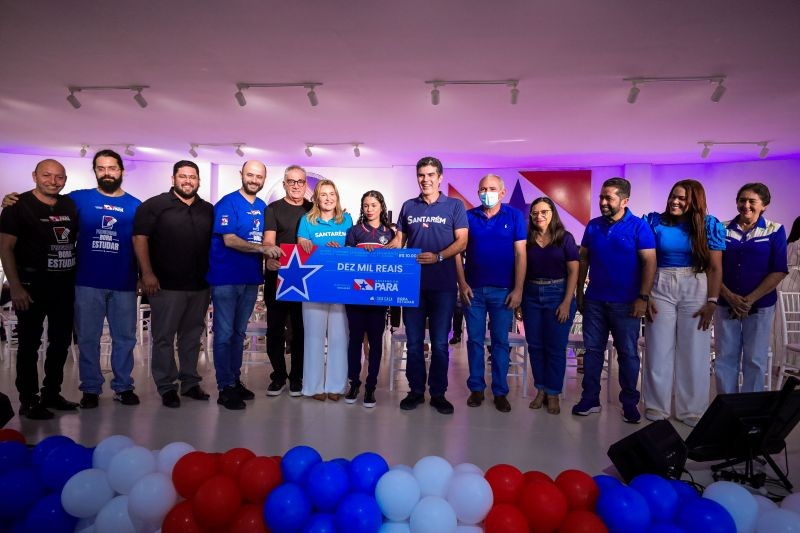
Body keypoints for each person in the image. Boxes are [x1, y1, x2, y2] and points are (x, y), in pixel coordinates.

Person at [2, 149, 143, 409]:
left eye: (112, 168)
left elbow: (141, 242)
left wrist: (144, 274)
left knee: (119, 339)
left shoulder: (135, 205)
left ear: (121, 170)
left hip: (114, 282)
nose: (107, 172)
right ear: (95, 171)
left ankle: (121, 387)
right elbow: (39, 206)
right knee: (84, 339)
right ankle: (87, 389)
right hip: (82, 282)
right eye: (101, 168)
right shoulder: (76, 200)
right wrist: (11, 200)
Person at [387, 156, 468, 414]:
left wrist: (439, 256)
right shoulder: (408, 206)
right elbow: (398, 241)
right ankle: (415, 391)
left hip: (444, 286)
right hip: (412, 286)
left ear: (440, 177)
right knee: (413, 343)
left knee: (441, 344)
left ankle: (439, 394)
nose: (426, 179)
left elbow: (462, 242)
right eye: (421, 175)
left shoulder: (454, 206)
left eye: (431, 174)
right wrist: (372, 253)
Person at [0, 159, 79, 419]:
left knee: (60, 344)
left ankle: (51, 393)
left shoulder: (69, 205)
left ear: (65, 180)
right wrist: (16, 287)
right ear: (35, 175)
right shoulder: (17, 206)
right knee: (29, 345)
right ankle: (28, 399)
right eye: (47, 175)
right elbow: (6, 248)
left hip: (64, 286)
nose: (53, 181)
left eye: (59, 177)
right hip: (31, 287)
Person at [642, 180, 725, 426]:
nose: (674, 202)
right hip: (661, 284)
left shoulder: (709, 225)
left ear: (695, 202)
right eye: (672, 197)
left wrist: (712, 301)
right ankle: (657, 407)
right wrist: (645, 294)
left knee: (695, 351)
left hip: (695, 285)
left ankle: (692, 410)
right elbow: (645, 261)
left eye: (681, 198)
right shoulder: (655, 222)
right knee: (658, 348)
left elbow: (715, 267)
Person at [574, 177, 656, 423]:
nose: (603, 202)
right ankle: (590, 398)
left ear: (625, 200)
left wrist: (643, 297)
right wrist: (579, 291)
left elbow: (649, 263)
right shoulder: (593, 225)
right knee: (592, 352)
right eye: (601, 197)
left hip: (627, 303)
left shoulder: (639, 227)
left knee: (628, 353)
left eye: (608, 197)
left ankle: (629, 403)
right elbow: (584, 259)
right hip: (595, 301)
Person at [133, 160, 214, 408]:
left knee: (191, 337)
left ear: (198, 181)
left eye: (192, 177)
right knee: (164, 338)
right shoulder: (154, 205)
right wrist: (146, 273)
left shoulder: (208, 209)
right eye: (183, 176)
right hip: (165, 285)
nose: (188, 181)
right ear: (173, 179)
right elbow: (139, 238)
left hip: (200, 285)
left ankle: (190, 382)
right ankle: (166, 386)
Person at [207, 161, 282, 410]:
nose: (254, 180)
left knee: (239, 334)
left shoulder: (262, 207)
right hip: (226, 278)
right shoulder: (227, 203)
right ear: (241, 175)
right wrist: (262, 249)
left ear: (264, 179)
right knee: (225, 334)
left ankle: (234, 379)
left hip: (250, 279)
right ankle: (224, 386)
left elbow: (269, 241)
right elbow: (229, 240)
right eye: (250, 175)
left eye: (259, 176)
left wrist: (270, 258)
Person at [455, 174, 526, 413]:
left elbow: (520, 255)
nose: (487, 192)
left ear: (503, 192)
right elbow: (457, 251)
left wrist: (518, 289)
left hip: (504, 292)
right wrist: (462, 283)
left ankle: (500, 391)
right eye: (483, 188)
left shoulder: (515, 216)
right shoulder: (467, 216)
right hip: (472, 291)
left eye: (492, 188)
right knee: (474, 341)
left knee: (500, 342)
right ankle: (476, 388)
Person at [715, 183, 787, 394]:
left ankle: (750, 410)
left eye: (752, 201)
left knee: (755, 359)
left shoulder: (775, 230)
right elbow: (713, 267)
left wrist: (749, 300)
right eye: (742, 200)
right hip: (725, 304)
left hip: (761, 305)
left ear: (764, 205)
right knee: (724, 358)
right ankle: (726, 408)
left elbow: (779, 270)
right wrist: (729, 296)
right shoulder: (721, 228)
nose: (745, 205)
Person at [297, 179, 353, 401]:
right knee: (313, 335)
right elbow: (301, 241)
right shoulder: (307, 220)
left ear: (337, 197)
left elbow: (352, 247)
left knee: (340, 336)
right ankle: (313, 386)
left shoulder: (346, 219)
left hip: (340, 285)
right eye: (323, 194)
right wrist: (305, 244)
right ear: (316, 198)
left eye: (332, 194)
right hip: (313, 285)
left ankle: (337, 386)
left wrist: (341, 248)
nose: (328, 198)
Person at [522, 197, 579, 415]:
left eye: (544, 211)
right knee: (535, 346)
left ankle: (553, 392)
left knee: (555, 347)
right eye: (535, 213)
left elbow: (573, 271)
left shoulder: (565, 238)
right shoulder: (526, 239)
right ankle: (541, 389)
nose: (539, 216)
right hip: (531, 295)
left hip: (558, 294)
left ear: (553, 213)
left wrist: (566, 301)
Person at [262, 165, 313, 397]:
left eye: (300, 181)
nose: (295, 185)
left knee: (301, 331)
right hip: (278, 277)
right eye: (291, 181)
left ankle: (297, 378)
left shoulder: (313, 210)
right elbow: (269, 241)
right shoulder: (273, 209)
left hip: (306, 280)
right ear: (284, 184)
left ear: (306, 185)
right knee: (275, 330)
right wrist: (269, 256)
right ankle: (279, 376)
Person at [344, 190, 395, 408]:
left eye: (373, 205)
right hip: (355, 295)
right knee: (354, 341)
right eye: (366, 205)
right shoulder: (354, 231)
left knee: (375, 343)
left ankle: (371, 386)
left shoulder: (390, 234)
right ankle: (354, 383)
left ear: (381, 207)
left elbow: (395, 266)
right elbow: (346, 263)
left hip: (379, 297)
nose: (369, 209)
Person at [772, 216, 800, 369]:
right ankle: (792, 363)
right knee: (792, 325)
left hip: (783, 283)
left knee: (780, 326)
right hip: (794, 286)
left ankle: (780, 363)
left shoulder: (790, 243)